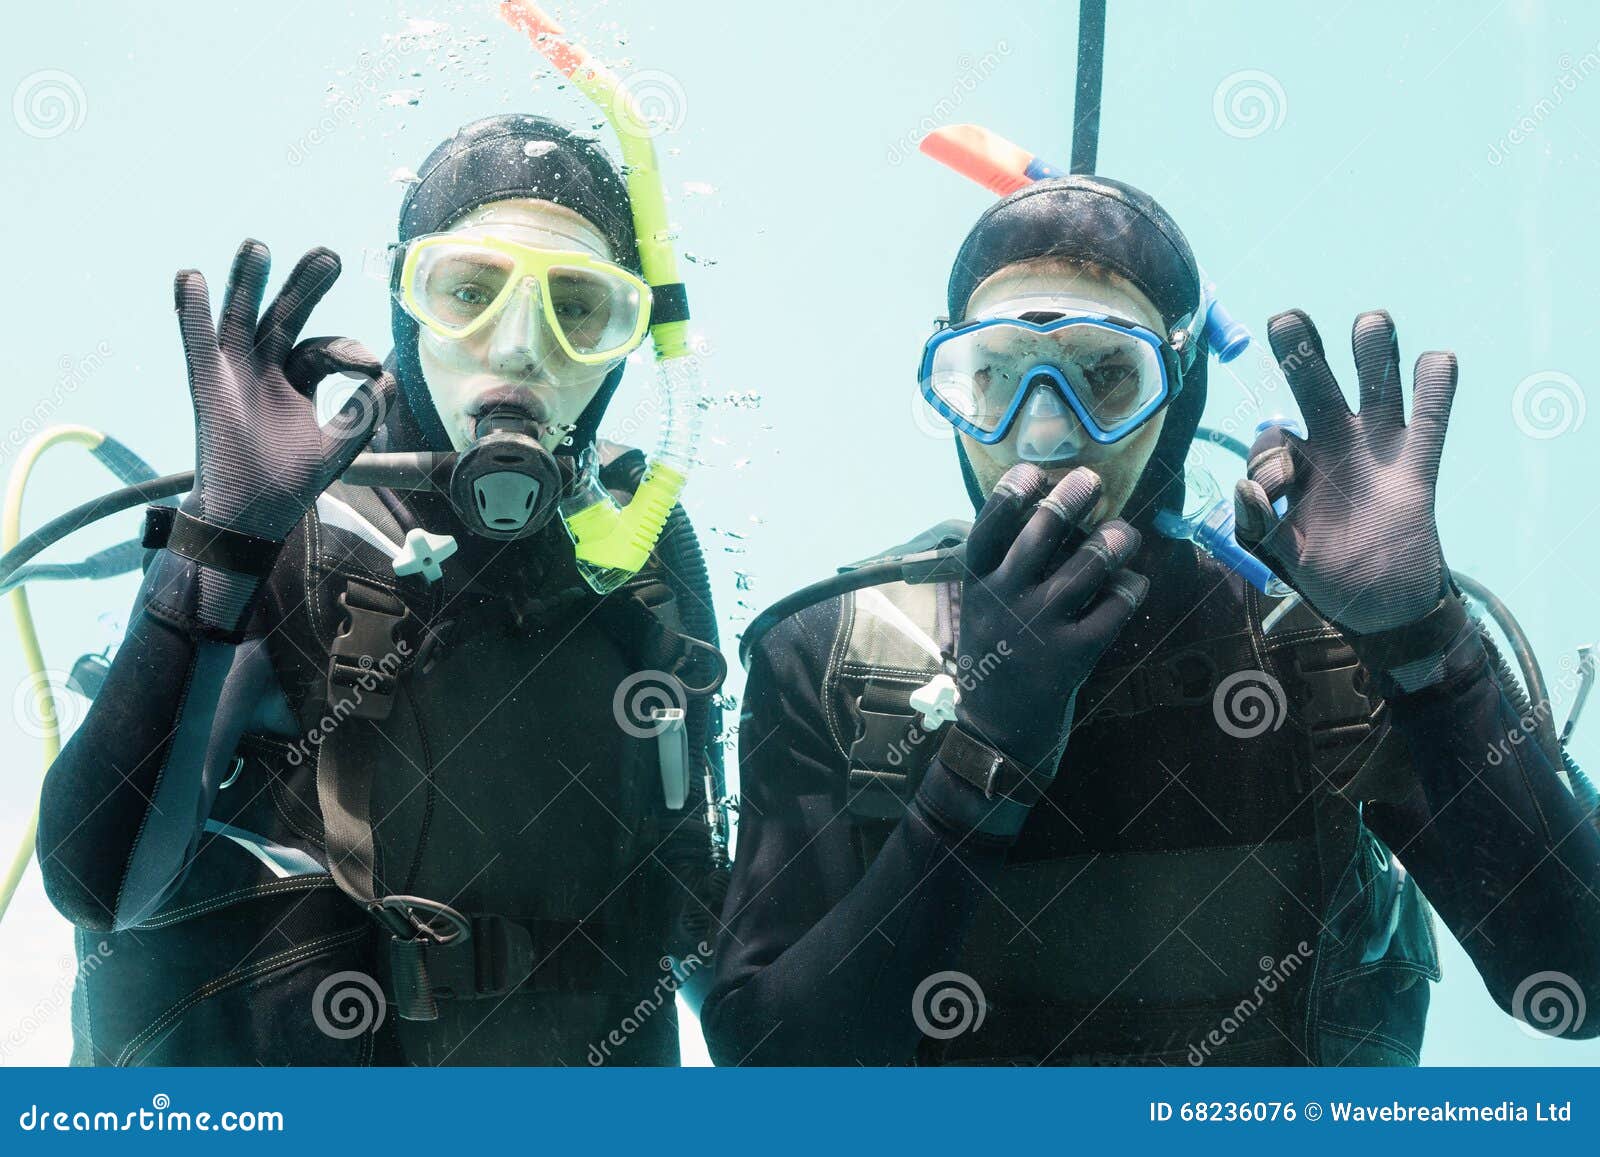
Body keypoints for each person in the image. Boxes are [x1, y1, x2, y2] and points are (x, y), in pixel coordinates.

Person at [702, 174, 1600, 1065]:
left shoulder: (1316, 641)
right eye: (994, 379)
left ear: (1181, 389)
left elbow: (1574, 983)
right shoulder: (828, 656)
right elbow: (770, 1072)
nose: (1044, 433)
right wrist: (977, 760)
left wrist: (1425, 646)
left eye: (1105, 375)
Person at [36, 113, 728, 1066]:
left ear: (625, 342)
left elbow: (705, 926)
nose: (521, 348)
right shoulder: (290, 526)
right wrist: (217, 544)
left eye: (579, 308)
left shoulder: (646, 563)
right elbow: (99, 885)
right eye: (469, 293)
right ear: (409, 302)